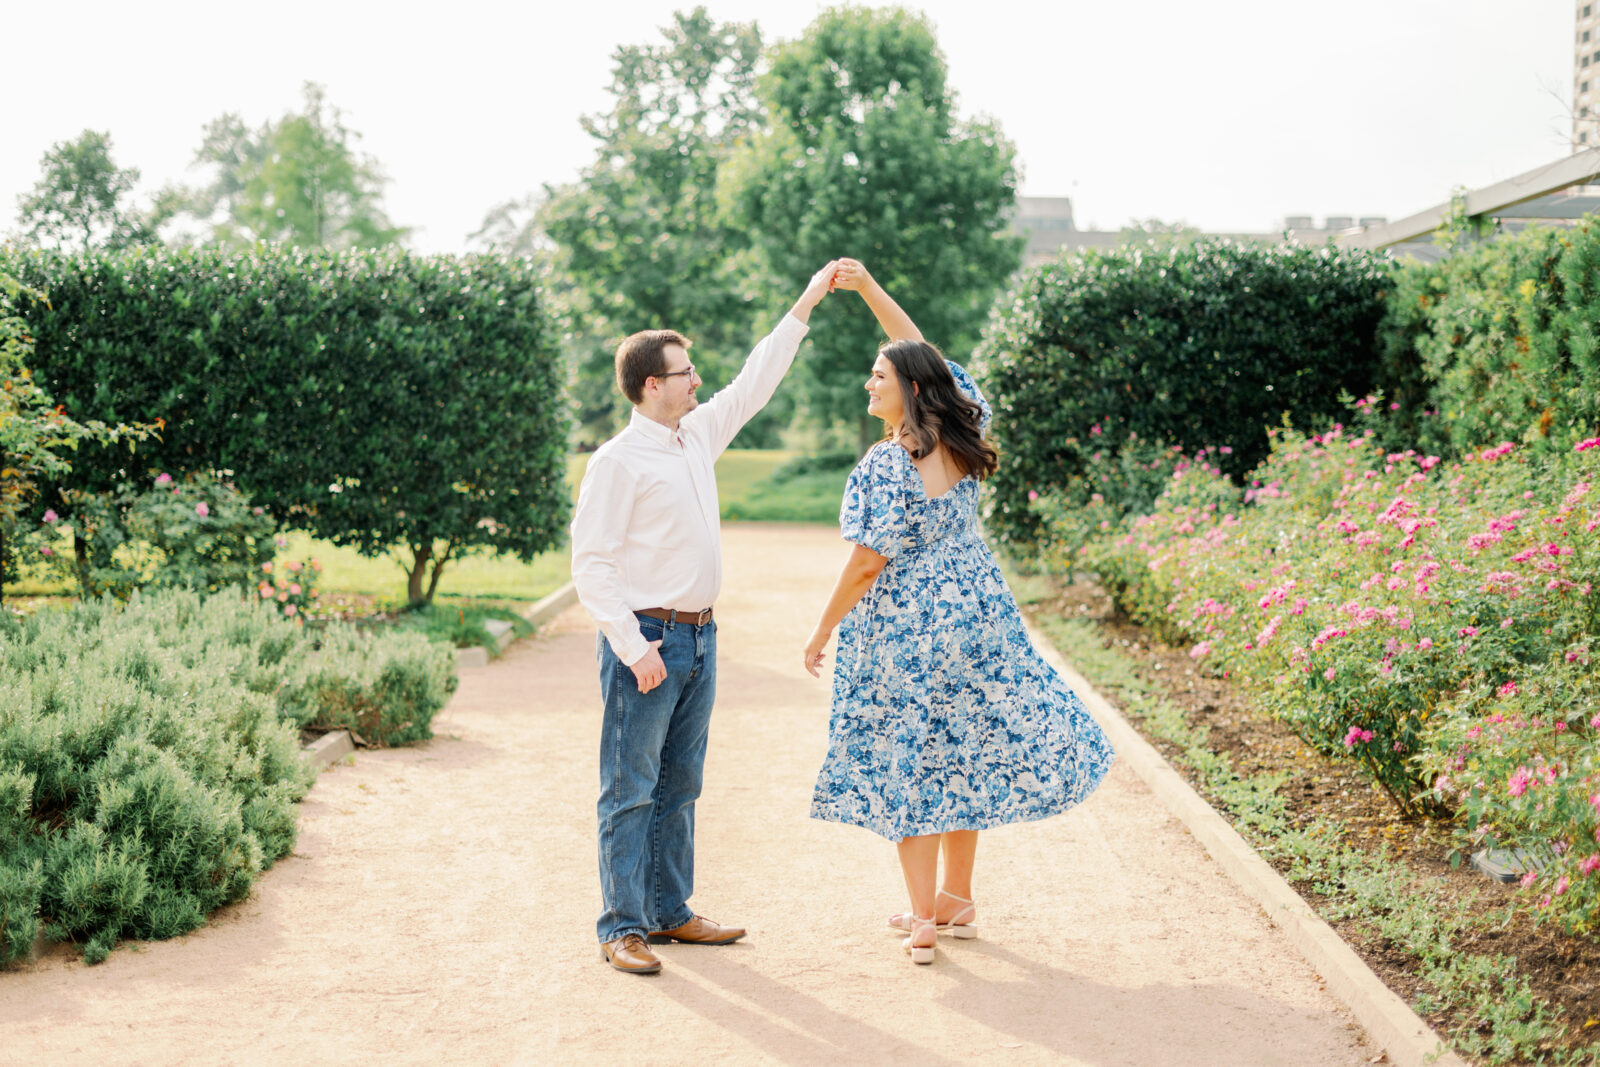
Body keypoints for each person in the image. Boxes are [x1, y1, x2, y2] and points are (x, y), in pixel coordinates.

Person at [802, 258, 1115, 966]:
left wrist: (822, 628)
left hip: (908, 624)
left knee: (909, 754)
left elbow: (865, 562)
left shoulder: (884, 465)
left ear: (907, 389)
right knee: (962, 747)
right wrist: (876, 291)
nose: (867, 382)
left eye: (877, 375)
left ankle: (920, 918)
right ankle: (956, 900)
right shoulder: (961, 433)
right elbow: (931, 361)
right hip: (976, 609)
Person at [572, 260, 841, 975]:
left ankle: (669, 910)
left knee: (681, 783)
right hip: (650, 639)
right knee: (630, 788)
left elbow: (757, 380)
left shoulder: (696, 437)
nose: (699, 380)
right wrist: (633, 647)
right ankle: (622, 925)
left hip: (701, 635)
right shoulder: (617, 461)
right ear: (650, 385)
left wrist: (808, 299)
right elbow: (591, 563)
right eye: (684, 372)